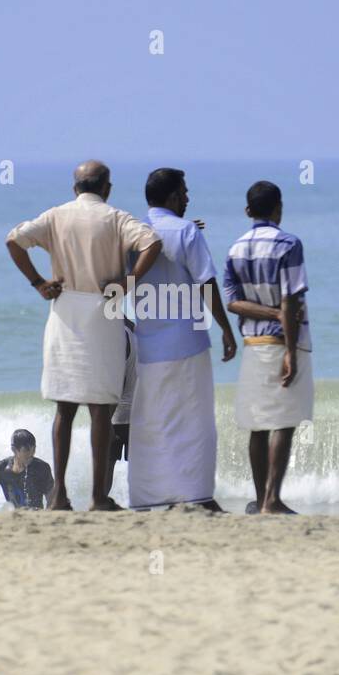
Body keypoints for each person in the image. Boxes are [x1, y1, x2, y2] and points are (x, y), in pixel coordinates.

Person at [5, 160, 162, 511]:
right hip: (104, 309)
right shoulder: (117, 217)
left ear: (75, 187)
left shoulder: (56, 215)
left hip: (65, 310)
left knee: (64, 407)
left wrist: (39, 283)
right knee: (101, 410)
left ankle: (59, 494)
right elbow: (153, 243)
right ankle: (96, 496)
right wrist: (128, 282)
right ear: (107, 188)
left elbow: (14, 240)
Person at [126, 168, 237, 511]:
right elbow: (206, 283)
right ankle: (196, 495)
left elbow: (119, 283)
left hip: (148, 345)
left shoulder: (132, 231)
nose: (188, 198)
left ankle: (148, 496)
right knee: (195, 420)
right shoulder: (187, 231)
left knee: (150, 423)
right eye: (185, 192)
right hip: (187, 342)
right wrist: (226, 328)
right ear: (173, 196)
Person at [223, 181, 313, 515]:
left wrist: (267, 312)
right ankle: (273, 500)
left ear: (248, 211)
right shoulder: (289, 244)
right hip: (282, 340)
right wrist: (291, 349)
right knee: (283, 421)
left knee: (257, 423)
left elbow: (234, 304)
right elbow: (291, 299)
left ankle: (262, 499)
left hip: (253, 344)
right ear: (279, 208)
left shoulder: (235, 249)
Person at [0, 430, 55, 509]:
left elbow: (51, 500)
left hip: (35, 517)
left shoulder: (42, 468)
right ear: (14, 450)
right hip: (13, 515)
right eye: (26, 450)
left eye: (34, 449)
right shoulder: (1, 468)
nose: (32, 454)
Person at [104, 319, 137, 499]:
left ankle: (99, 506)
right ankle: (142, 507)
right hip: (138, 413)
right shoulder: (133, 332)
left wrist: (105, 421)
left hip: (118, 415)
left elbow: (118, 380)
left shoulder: (118, 335)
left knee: (107, 466)